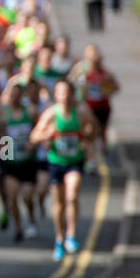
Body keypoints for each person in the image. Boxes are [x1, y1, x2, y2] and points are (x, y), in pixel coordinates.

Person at [29, 80, 98, 261]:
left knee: (72, 195)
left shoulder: (81, 112)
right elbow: (34, 136)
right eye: (60, 92)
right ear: (56, 95)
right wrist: (47, 134)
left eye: (67, 92)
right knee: (58, 203)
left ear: (72, 94)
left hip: (74, 161)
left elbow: (94, 128)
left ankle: (71, 235)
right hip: (56, 161)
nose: (64, 96)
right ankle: (59, 239)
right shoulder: (51, 114)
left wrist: (88, 134)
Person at [0, 80, 39, 242]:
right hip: (11, 163)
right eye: (12, 96)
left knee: (27, 196)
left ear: (22, 96)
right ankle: (18, 227)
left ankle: (31, 219)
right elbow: (2, 137)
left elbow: (37, 131)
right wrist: (5, 158)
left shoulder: (31, 112)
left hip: (28, 161)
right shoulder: (4, 114)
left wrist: (32, 145)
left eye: (17, 96)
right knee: (13, 196)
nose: (14, 99)